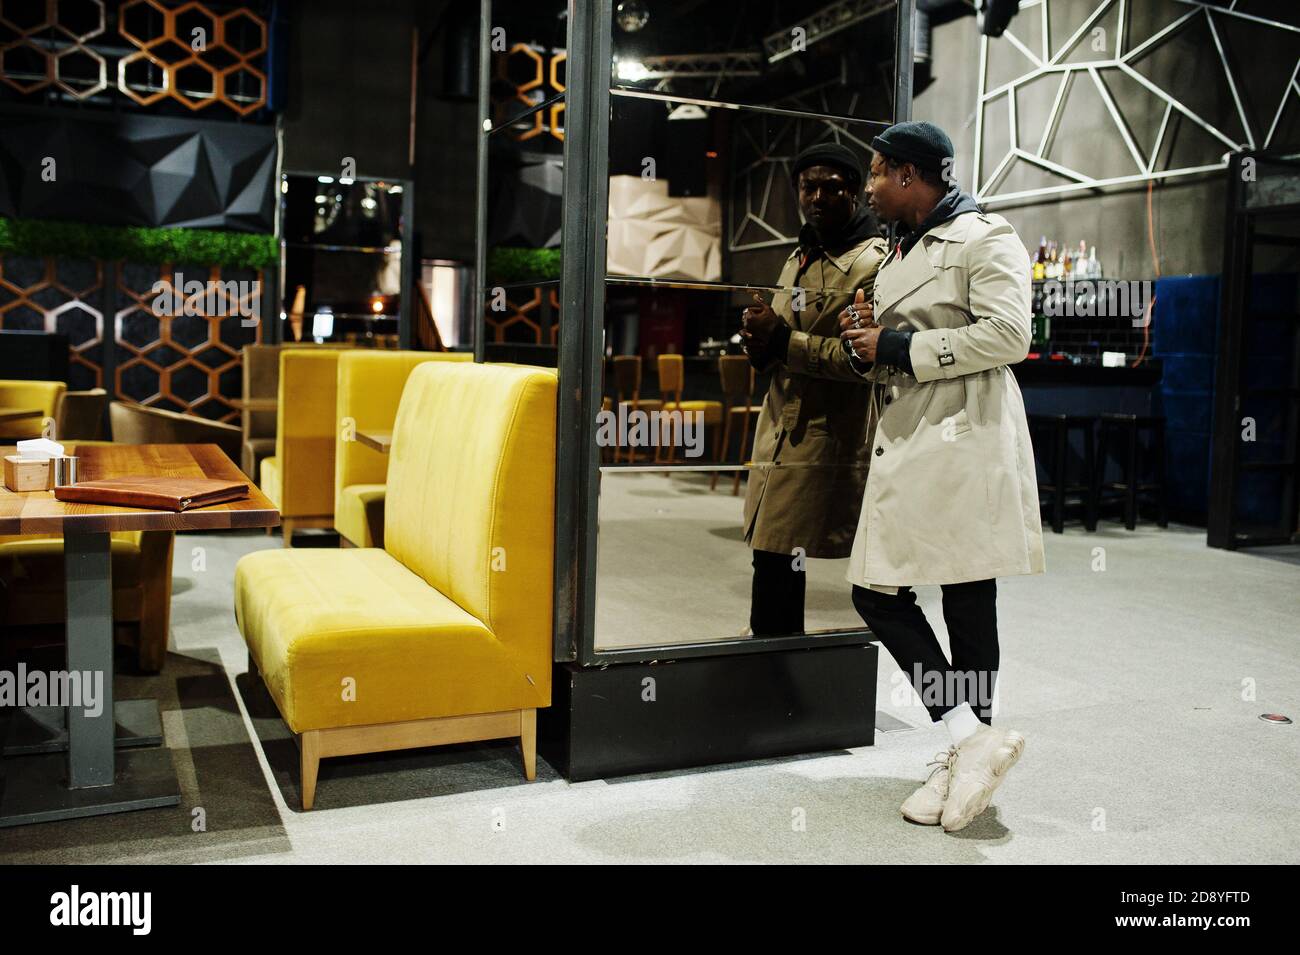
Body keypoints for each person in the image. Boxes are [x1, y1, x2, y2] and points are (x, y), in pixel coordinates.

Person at [835, 121, 1046, 833]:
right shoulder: (902, 248)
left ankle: (965, 748)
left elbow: (1010, 335)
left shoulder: (986, 236)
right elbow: (898, 343)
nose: (868, 187)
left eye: (875, 173)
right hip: (915, 432)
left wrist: (896, 343)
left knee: (959, 593)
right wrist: (867, 344)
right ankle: (969, 739)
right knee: (885, 590)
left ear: (909, 174)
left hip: (964, 435)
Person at [738, 142, 887, 636]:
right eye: (808, 187)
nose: (818, 197)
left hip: (825, 430)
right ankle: (772, 657)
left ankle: (779, 659)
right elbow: (784, 333)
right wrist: (760, 339)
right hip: (777, 426)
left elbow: (863, 360)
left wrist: (783, 340)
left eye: (832, 187)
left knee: (783, 553)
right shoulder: (798, 255)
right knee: (771, 554)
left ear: (855, 192)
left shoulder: (873, 263)